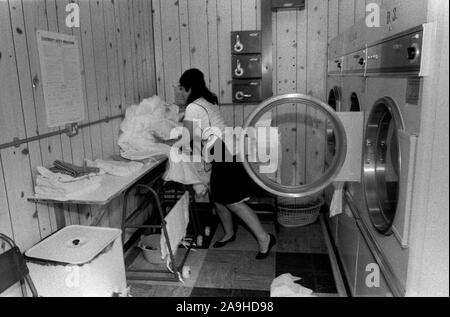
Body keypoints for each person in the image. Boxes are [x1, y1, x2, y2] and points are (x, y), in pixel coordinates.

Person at [161, 68, 275, 259]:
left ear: (188, 87)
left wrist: (169, 143)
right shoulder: (208, 101)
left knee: (233, 202)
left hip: (223, 152)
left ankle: (265, 238)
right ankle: (229, 233)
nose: (180, 92)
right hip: (226, 149)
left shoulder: (193, 107)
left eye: (181, 88)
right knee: (218, 197)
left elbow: (189, 137)